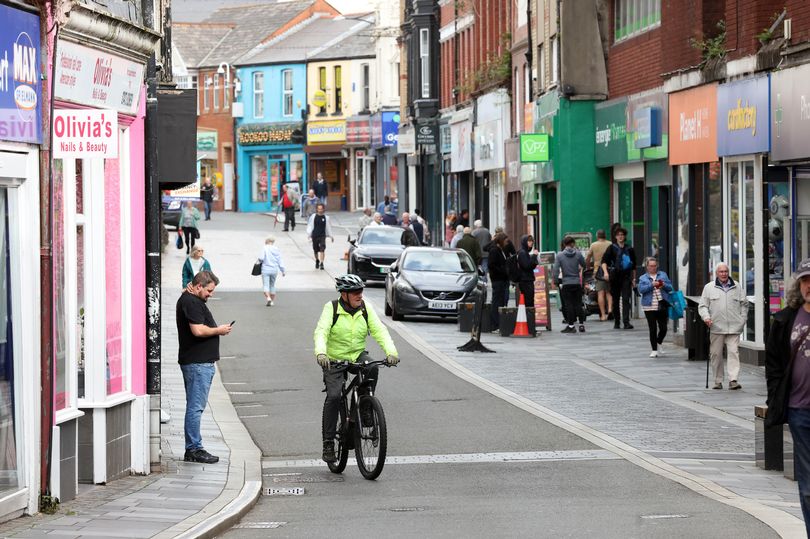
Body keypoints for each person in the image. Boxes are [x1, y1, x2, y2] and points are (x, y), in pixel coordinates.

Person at [313, 274, 399, 463]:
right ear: (344, 295)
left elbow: (379, 330)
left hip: (356, 355)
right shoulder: (332, 308)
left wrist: (391, 352)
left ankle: (365, 406)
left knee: (372, 368)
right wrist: (321, 353)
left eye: (361, 291)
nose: (360, 295)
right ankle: (328, 443)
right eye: (355, 293)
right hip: (333, 359)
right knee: (335, 396)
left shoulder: (365, 309)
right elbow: (321, 331)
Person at [766, 258, 810, 535]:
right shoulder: (785, 320)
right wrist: (775, 398)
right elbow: (773, 365)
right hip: (799, 411)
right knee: (807, 486)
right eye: (805, 281)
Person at [176, 270, 232, 464]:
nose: (211, 294)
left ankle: (194, 447)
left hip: (198, 363)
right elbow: (198, 330)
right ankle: (193, 448)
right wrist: (219, 330)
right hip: (197, 363)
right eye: (209, 290)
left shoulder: (191, 299)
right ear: (198, 286)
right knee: (195, 407)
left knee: (195, 406)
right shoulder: (191, 302)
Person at [698, 262, 749, 390]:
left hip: (734, 327)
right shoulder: (709, 287)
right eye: (721, 272)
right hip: (716, 327)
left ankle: (733, 380)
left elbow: (744, 304)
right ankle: (718, 380)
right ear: (716, 273)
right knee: (716, 354)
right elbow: (703, 306)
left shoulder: (737, 286)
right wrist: (706, 318)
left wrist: (742, 319)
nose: (724, 274)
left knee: (733, 352)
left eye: (725, 271)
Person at [601, 227, 636, 330]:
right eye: (618, 235)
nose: (620, 236)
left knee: (626, 299)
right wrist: (606, 273)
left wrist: (634, 279)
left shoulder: (629, 249)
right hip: (614, 277)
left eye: (622, 235)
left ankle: (626, 322)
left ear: (624, 236)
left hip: (626, 277)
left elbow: (633, 266)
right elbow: (604, 262)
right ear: (616, 237)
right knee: (615, 300)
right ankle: (617, 321)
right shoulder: (611, 248)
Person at [638, 257, 673, 357]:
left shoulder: (663, 275)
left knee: (663, 328)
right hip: (649, 306)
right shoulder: (643, 278)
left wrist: (662, 285)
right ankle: (654, 350)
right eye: (650, 266)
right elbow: (641, 290)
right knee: (652, 328)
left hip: (662, 305)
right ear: (647, 267)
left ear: (657, 266)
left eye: (654, 266)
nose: (653, 268)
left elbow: (670, 287)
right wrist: (651, 285)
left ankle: (658, 342)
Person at [553, 236, 587, 333]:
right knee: (578, 304)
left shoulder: (560, 255)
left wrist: (555, 281)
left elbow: (555, 270)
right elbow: (584, 264)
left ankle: (571, 326)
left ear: (564, 244)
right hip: (576, 283)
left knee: (569, 305)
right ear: (573, 243)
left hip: (566, 283)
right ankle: (581, 325)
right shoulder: (578, 254)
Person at [586, 229, 613, 321]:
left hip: (598, 271)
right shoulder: (610, 244)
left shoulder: (594, 245)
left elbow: (588, 258)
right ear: (605, 235)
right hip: (609, 271)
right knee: (609, 292)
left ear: (597, 236)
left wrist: (588, 267)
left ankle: (603, 315)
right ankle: (609, 309)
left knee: (600, 293)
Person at [488, 233, 510, 332]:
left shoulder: (501, 250)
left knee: (501, 301)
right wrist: (503, 270)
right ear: (501, 241)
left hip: (502, 279)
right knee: (496, 301)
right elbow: (491, 265)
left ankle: (499, 323)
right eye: (505, 240)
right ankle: (494, 324)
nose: (507, 242)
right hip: (497, 280)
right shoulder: (494, 251)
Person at [258, 236, 285, 306]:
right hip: (274, 269)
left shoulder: (265, 248)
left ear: (267, 241)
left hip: (266, 269)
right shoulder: (276, 249)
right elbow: (280, 260)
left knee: (266, 285)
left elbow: (261, 258)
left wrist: (259, 262)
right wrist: (283, 270)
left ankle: (268, 299)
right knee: (272, 285)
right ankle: (271, 301)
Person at [307, 203, 333, 270]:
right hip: (315, 236)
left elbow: (329, 227)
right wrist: (309, 235)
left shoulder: (326, 218)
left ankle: (321, 263)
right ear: (317, 209)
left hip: (322, 236)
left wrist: (331, 236)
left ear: (323, 209)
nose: (320, 210)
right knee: (315, 250)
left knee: (322, 249)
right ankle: (317, 260)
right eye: (319, 209)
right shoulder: (313, 217)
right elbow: (310, 226)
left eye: (321, 209)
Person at [517, 234, 539, 314]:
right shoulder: (522, 253)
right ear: (524, 242)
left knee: (529, 301)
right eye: (529, 241)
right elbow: (527, 266)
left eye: (532, 241)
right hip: (525, 281)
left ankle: (529, 321)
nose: (531, 243)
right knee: (528, 302)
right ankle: (529, 321)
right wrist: (534, 256)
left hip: (527, 280)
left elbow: (529, 265)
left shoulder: (525, 252)